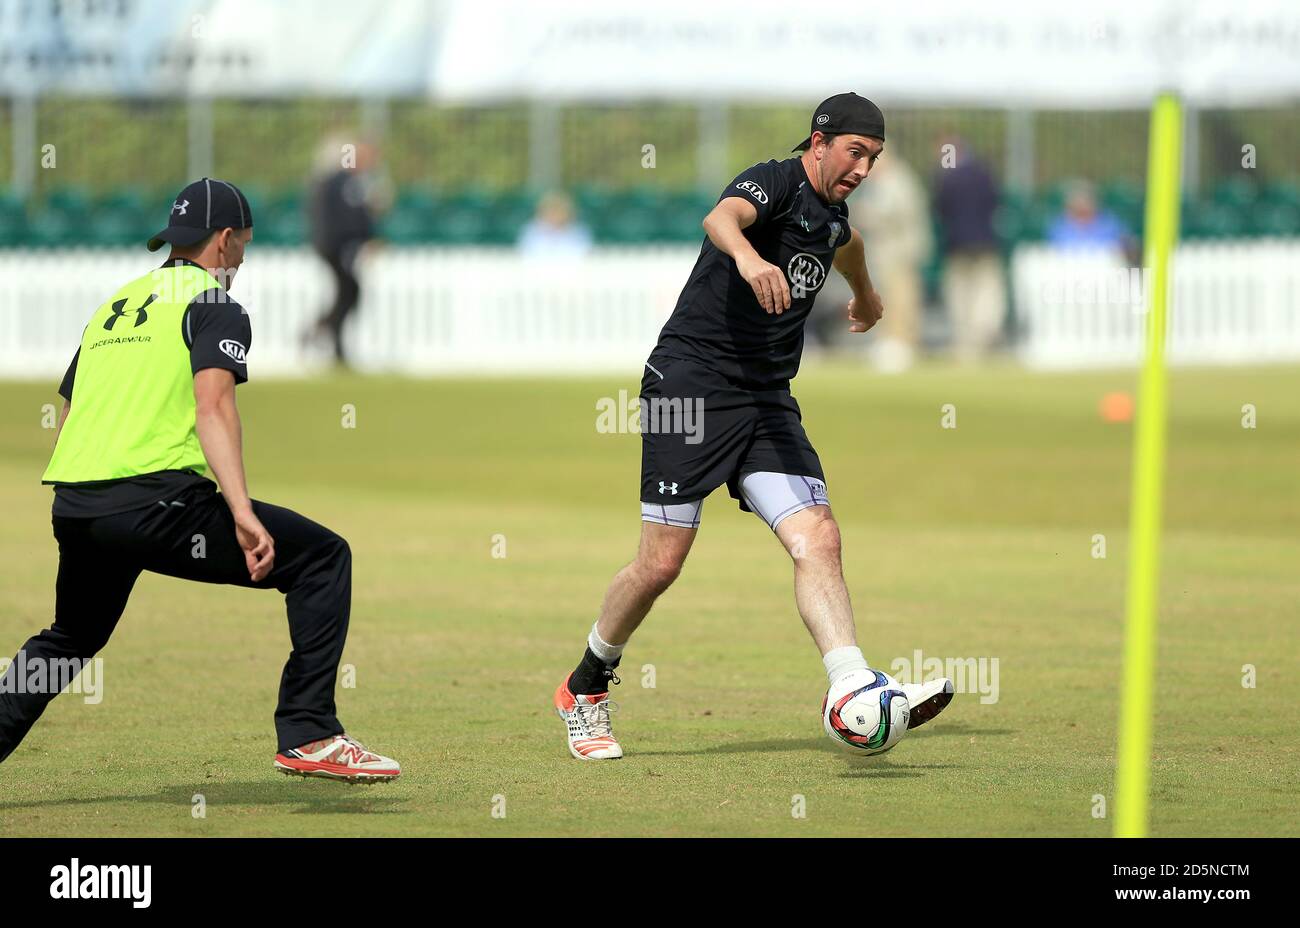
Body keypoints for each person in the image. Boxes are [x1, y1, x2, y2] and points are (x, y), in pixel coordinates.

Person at [553, 94, 953, 760]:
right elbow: (722, 218)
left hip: (766, 399)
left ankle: (851, 685)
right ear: (819, 142)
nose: (863, 167)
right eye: (855, 152)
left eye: (874, 158)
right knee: (660, 565)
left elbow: (846, 243)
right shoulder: (774, 179)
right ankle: (585, 687)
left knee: (818, 536)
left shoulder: (832, 216)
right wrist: (748, 257)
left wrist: (867, 293)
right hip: (689, 388)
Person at [0, 179, 400, 782]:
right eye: (242, 244)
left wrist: (83, 494)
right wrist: (241, 510)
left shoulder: (116, 304)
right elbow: (212, 407)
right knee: (321, 559)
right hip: (158, 503)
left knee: (69, 637)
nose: (241, 256)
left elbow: (68, 411)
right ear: (222, 241)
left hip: (79, 504)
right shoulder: (215, 305)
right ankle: (310, 733)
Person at [848, 153, 932, 371]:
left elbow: (894, 215)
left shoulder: (897, 180)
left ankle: (902, 343)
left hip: (900, 252)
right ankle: (890, 342)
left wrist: (865, 214)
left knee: (901, 299)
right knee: (888, 297)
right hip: (887, 252)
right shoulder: (885, 182)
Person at [305, 138, 385, 366]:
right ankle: (326, 334)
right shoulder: (346, 182)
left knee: (346, 293)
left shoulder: (337, 181)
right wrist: (367, 238)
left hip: (332, 245)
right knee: (348, 293)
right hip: (336, 246)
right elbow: (353, 218)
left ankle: (331, 340)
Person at [932, 138, 1007, 361]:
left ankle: (966, 340)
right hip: (985, 241)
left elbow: (939, 209)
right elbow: (995, 202)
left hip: (957, 243)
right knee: (986, 291)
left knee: (960, 293)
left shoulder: (945, 177)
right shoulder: (984, 173)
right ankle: (984, 335)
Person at [1047, 180, 1128, 250]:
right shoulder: (1058, 226)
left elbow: (1125, 245)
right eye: (1077, 201)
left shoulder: (1110, 224)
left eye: (1086, 200)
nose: (1082, 205)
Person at [518, 191, 594, 258]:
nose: (556, 214)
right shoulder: (531, 231)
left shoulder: (579, 232)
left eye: (560, 210)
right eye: (551, 209)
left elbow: (585, 256)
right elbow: (525, 255)